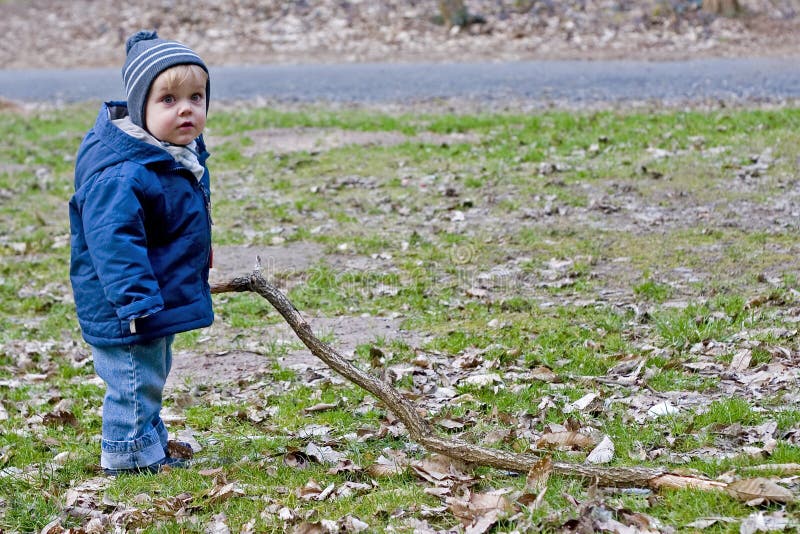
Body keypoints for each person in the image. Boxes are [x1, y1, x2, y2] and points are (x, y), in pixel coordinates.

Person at [68, 30, 214, 475]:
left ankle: (150, 446)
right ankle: (129, 460)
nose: (186, 108)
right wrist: (134, 300)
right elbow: (113, 240)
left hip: (153, 294)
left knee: (150, 373)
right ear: (139, 108)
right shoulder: (124, 171)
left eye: (196, 97)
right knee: (133, 380)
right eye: (168, 100)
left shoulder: (169, 155)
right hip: (128, 303)